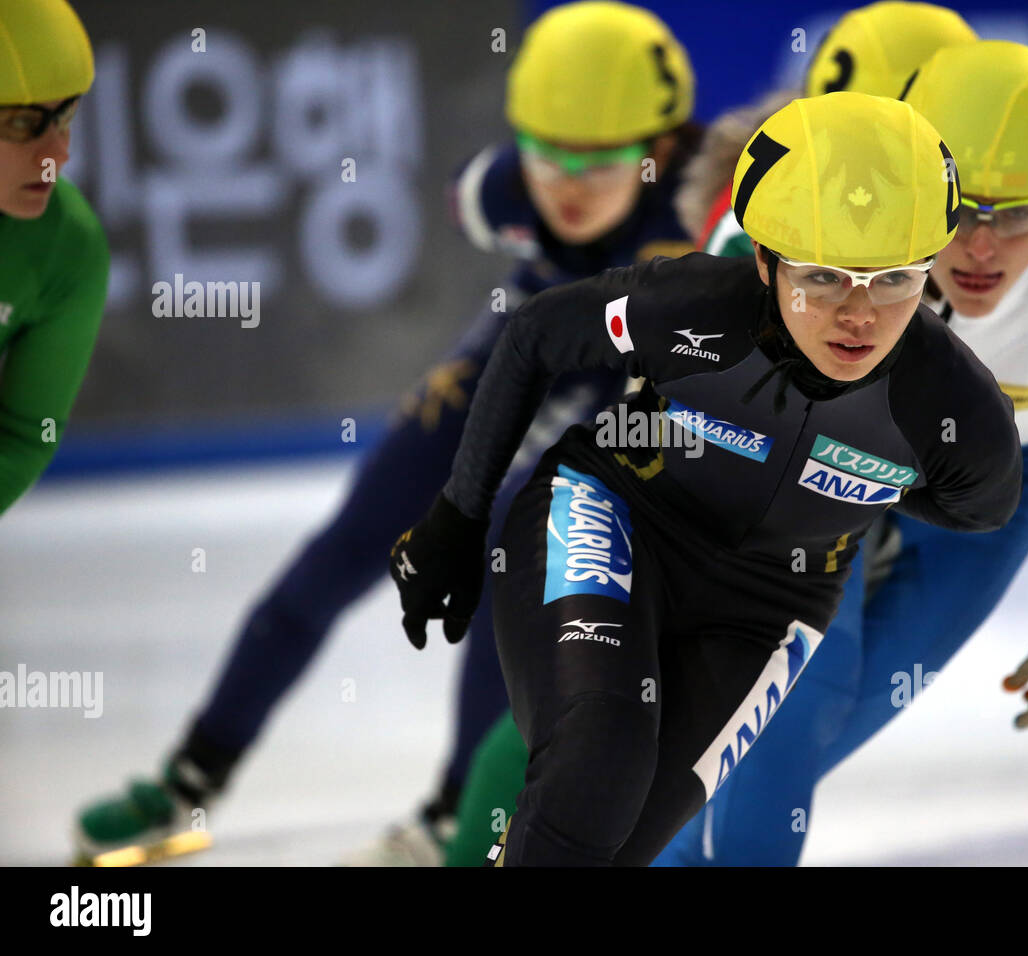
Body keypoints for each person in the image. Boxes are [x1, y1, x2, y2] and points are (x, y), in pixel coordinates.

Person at [73, 0, 700, 865]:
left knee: (516, 545)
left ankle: (460, 811)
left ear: (662, 149)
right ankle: (189, 778)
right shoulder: (499, 189)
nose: (567, 182)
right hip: (532, 331)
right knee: (348, 543)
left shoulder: (700, 223)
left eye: (601, 161)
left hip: (632, 370)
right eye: (548, 151)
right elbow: (499, 204)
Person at [389, 90, 1023, 865]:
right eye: (823, 277)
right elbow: (533, 337)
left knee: (620, 846)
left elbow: (981, 507)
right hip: (615, 513)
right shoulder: (692, 310)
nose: (859, 314)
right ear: (763, 260)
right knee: (599, 754)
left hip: (772, 601)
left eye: (894, 278)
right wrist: (458, 517)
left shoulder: (953, 408)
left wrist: (849, 489)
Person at [657, 39, 1028, 865]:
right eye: (963, 211)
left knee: (801, 734)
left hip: (999, 486)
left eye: (1021, 214)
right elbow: (699, 308)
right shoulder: (840, 243)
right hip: (834, 457)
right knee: (803, 689)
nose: (983, 249)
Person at [0, 0, 108, 516]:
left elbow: (25, 432)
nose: (58, 152)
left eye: (65, 114)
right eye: (23, 124)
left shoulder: (68, 247)